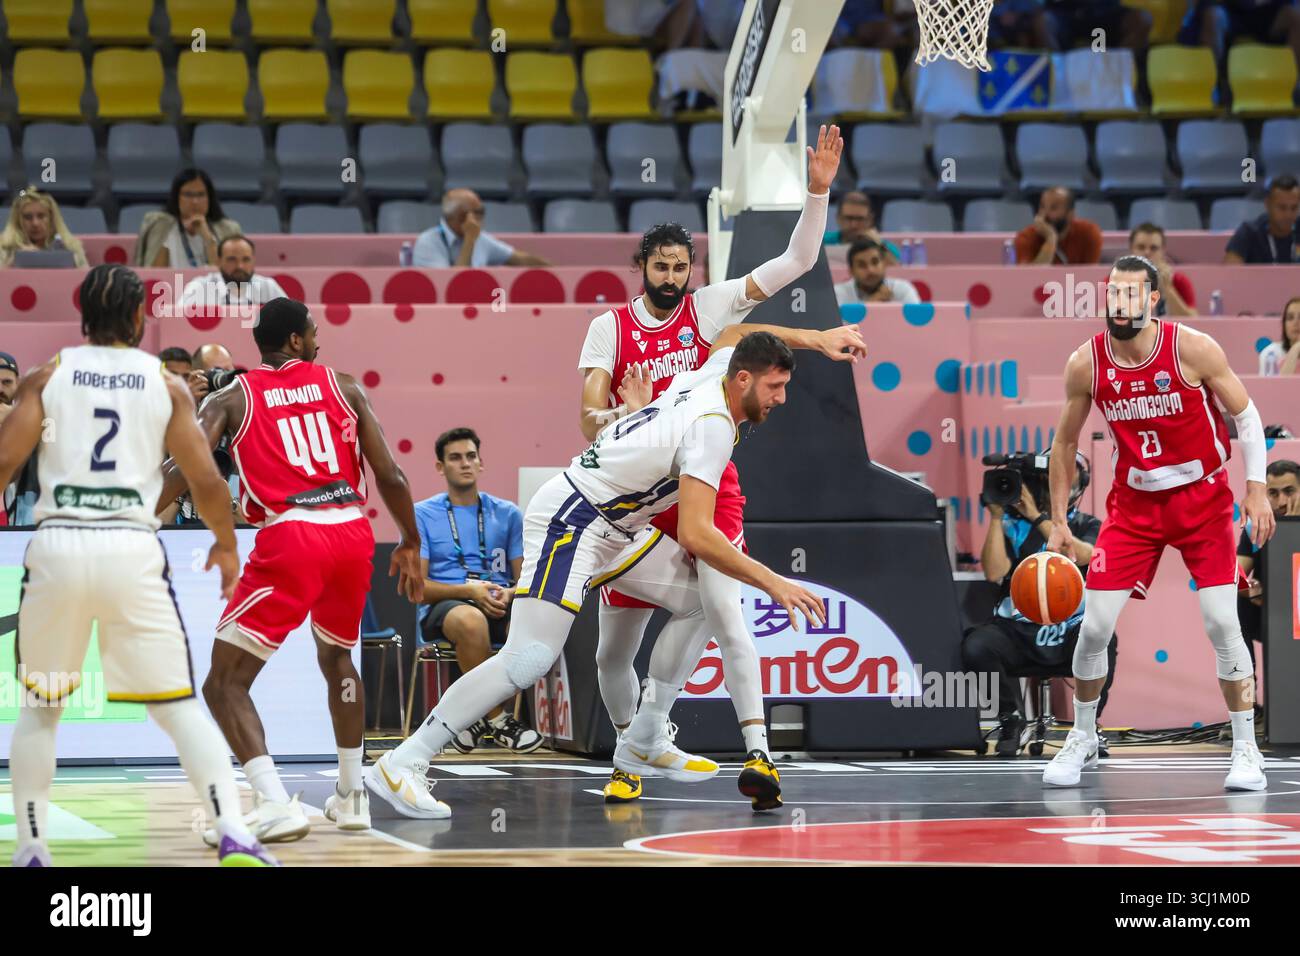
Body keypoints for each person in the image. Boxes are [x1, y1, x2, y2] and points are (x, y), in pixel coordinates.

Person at [368, 330, 840, 820]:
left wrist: (818, 339)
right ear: (743, 378)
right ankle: (405, 761)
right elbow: (698, 536)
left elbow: (736, 332)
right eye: (774, 386)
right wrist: (776, 581)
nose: (781, 398)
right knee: (527, 658)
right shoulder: (715, 426)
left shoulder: (710, 372)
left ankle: (646, 734)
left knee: (706, 603)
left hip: (618, 525)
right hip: (575, 519)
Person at [576, 124, 851, 809]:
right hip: (639, 491)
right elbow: (586, 419)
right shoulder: (610, 326)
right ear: (642, 267)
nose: (671, 277)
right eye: (660, 267)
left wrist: (816, 194)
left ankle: (757, 752)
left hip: (703, 480)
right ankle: (635, 738)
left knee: (724, 612)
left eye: (681, 267)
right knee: (612, 652)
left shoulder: (705, 312)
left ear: (691, 270)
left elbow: (792, 263)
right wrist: (622, 416)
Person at [0, 264, 276, 866]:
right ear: (136, 318)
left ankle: (31, 848)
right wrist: (228, 546)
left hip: (59, 544)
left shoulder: (48, 377)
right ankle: (233, 831)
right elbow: (203, 479)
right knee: (176, 706)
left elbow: (1, 464)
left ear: (82, 318)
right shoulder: (167, 384)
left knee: (42, 708)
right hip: (131, 547)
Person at [156, 297, 425, 845]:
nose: (320, 339)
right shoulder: (344, 385)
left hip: (293, 531)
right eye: (315, 332)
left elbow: (186, 461)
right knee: (337, 658)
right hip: (353, 531)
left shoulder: (234, 396)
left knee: (224, 682)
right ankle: (351, 798)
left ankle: (275, 803)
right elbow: (391, 475)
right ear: (297, 341)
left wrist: (136, 516)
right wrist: (410, 541)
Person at [1042, 254, 1276, 791]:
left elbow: (1245, 413)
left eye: (1131, 293)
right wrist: (1058, 519)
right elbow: (1064, 442)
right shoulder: (1087, 363)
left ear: (1151, 299)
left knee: (1221, 621)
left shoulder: (1191, 347)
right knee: (1096, 625)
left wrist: (1256, 487)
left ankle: (1245, 748)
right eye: (1112, 292)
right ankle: (1083, 736)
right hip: (1134, 505)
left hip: (1204, 499)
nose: (1119, 302)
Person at [962, 452, 1116, 757]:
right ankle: (1012, 719)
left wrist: (1038, 517)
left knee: (1103, 638)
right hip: (1017, 630)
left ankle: (1088, 725)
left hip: (1069, 630)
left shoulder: (1087, 524)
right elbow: (994, 572)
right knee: (977, 646)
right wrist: (995, 517)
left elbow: (1083, 555)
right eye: (1045, 483)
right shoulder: (1009, 525)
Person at [414, 427, 539, 754]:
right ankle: (499, 720)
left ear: (481, 463)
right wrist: (470, 590)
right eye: (455, 458)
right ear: (440, 467)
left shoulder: (508, 513)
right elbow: (418, 588)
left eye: (471, 456)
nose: (465, 463)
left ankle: (475, 721)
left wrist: (509, 594)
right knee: (472, 621)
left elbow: (525, 577)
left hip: (499, 601)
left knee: (532, 625)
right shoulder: (423, 514)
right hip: (447, 605)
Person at [1236, 459, 1300, 647]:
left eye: (1289, 492)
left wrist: (1292, 529)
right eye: (1273, 493)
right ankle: (1246, 675)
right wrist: (1250, 590)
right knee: (1238, 601)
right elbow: (1233, 575)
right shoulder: (1256, 527)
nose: (1281, 502)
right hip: (1274, 609)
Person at [412, 189, 550, 269]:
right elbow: (452, 287)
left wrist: (558, 273)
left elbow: (521, 259)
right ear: (458, 217)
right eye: (478, 212)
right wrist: (469, 240)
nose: (481, 218)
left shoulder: (481, 239)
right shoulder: (427, 243)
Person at [134, 168, 242, 269]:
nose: (195, 201)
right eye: (188, 194)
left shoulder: (228, 229)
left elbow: (229, 277)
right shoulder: (160, 225)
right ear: (177, 197)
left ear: (209, 198)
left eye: (201, 194)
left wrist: (208, 239)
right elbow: (154, 276)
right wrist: (165, 240)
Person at [180, 235, 287, 312]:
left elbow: (295, 320)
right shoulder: (200, 287)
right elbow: (178, 320)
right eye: (232, 260)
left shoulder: (268, 286)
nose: (240, 266)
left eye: (246, 259)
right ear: (218, 261)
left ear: (253, 261)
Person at [1180, 0, 1300, 67]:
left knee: (1296, 17)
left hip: (1267, 11)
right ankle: (1208, 84)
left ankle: (1291, 83)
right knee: (1213, 16)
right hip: (1229, 10)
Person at [0, 187, 88, 268]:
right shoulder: (4, 248)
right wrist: (15, 261)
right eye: (27, 217)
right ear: (17, 220)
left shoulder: (71, 247)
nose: (35, 223)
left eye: (41, 216)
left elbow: (85, 281)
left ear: (52, 218)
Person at [1014, 186, 1102, 265]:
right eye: (1042, 207)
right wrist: (1051, 238)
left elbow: (1091, 276)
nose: (1044, 214)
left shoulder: (1088, 233)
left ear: (1070, 214)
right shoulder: (1026, 237)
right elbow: (1029, 277)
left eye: (1054, 208)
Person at [1225, 175, 1300, 264]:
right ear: (1267, 204)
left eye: (1294, 208)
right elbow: (1230, 273)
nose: (1288, 214)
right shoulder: (1249, 232)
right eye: (1282, 208)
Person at [1128, 222, 1197, 317]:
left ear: (1163, 251)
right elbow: (1102, 318)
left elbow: (1194, 321)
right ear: (1131, 249)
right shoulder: (1115, 279)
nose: (1147, 252)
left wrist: (1168, 289)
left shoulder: (1178, 280)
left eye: (1154, 248)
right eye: (1141, 247)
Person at [834, 238, 921, 306]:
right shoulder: (837, 294)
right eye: (861, 265)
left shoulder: (903, 289)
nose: (870, 270)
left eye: (875, 262)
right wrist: (870, 304)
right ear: (851, 271)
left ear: (884, 264)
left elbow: (917, 324)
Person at [1044, 0, 1151, 50]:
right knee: (1043, 21)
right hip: (1064, 11)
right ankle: (1055, 76)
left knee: (1142, 19)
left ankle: (1119, 74)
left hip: (1105, 10)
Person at [824, 191, 900, 261]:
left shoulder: (885, 247)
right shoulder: (821, 243)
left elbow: (897, 269)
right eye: (848, 218)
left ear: (870, 219)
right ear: (838, 218)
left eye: (860, 219)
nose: (854, 225)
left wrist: (879, 246)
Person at [1258, 296, 1300, 375]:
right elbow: (1277, 386)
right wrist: (1296, 348)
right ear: (1284, 325)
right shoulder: (1270, 353)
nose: (1296, 322)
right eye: (1290, 318)